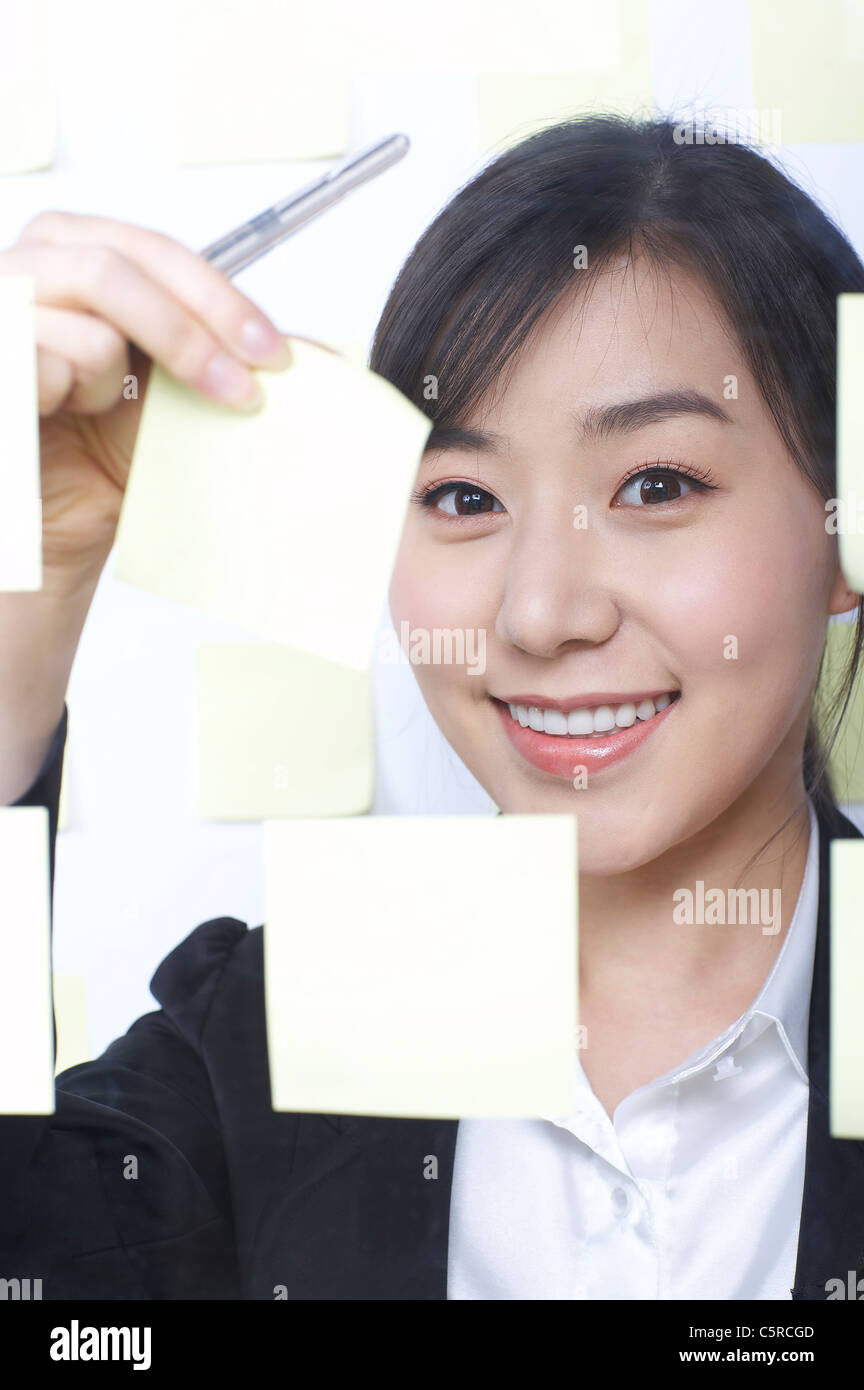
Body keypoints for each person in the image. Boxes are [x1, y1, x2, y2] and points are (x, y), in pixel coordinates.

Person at [2, 115, 864, 1301]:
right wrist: (23, 594)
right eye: (461, 495)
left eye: (655, 483)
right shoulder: (260, 1051)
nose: (538, 611)